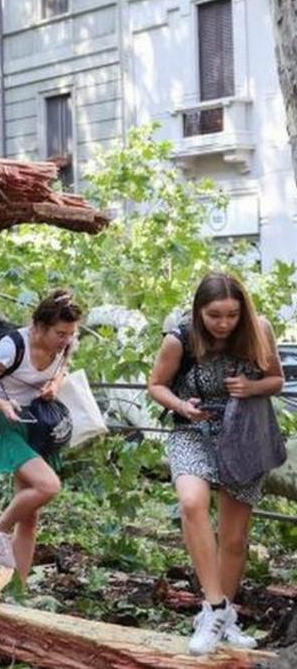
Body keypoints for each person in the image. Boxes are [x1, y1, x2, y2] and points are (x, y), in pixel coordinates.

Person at [147, 272, 283, 655]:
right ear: (199, 311)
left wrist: (253, 387)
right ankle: (217, 606)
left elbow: (276, 380)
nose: (224, 323)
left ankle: (220, 620)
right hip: (193, 431)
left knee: (235, 537)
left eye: (231, 315)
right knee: (192, 502)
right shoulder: (181, 338)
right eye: (214, 315)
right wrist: (180, 405)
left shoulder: (259, 330)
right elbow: (156, 384)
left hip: (244, 437)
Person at [0, 290, 82, 581]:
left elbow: (63, 369)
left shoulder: (65, 345)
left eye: (70, 333)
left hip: (36, 425)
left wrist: (55, 384)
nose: (66, 339)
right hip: (7, 423)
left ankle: (17, 587)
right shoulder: (12, 347)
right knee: (48, 486)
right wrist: (3, 404)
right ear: (39, 326)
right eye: (60, 332)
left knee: (30, 516)